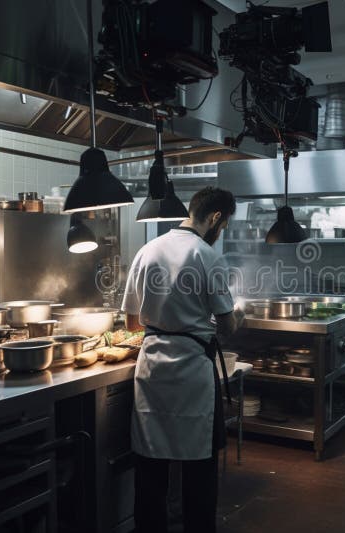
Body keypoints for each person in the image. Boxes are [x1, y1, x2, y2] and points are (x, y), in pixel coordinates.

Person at [121, 186, 244, 533]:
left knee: (150, 470)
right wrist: (240, 315)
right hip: (192, 373)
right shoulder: (207, 256)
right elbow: (227, 325)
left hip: (152, 370)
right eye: (225, 224)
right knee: (199, 471)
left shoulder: (147, 251)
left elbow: (132, 323)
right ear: (216, 217)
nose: (222, 233)